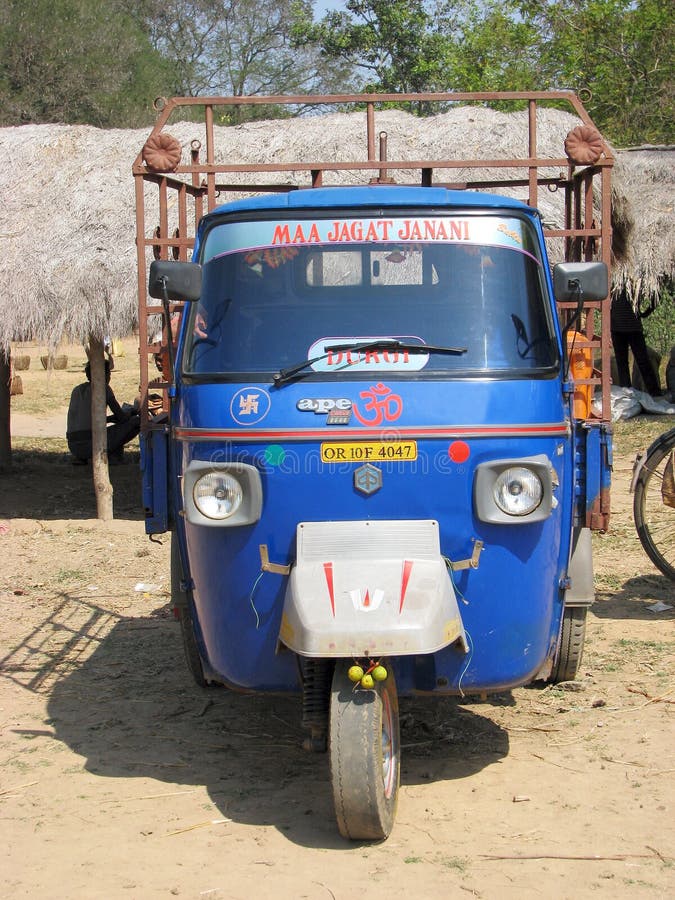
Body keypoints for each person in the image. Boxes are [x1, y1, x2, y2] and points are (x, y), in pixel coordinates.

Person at [66, 361, 140, 464]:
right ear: (104, 374)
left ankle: (82, 458)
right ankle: (112, 455)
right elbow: (121, 418)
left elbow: (88, 420)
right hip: (91, 444)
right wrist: (131, 412)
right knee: (137, 422)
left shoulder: (76, 390)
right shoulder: (103, 388)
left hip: (73, 446)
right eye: (109, 373)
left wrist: (110, 418)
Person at [610, 287, 661, 396]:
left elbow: (656, 295)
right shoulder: (612, 280)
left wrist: (645, 313)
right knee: (624, 363)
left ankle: (654, 393)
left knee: (642, 361)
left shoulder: (635, 279)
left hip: (632, 327)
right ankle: (627, 393)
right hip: (617, 328)